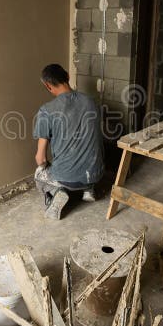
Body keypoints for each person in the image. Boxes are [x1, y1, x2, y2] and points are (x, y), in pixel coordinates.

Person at [33, 64, 104, 220]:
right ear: (68, 76)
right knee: (86, 150)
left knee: (39, 173)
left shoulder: (47, 111)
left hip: (68, 178)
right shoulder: (91, 102)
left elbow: (41, 159)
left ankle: (56, 193)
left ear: (48, 85)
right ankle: (88, 189)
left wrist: (48, 166)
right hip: (96, 173)